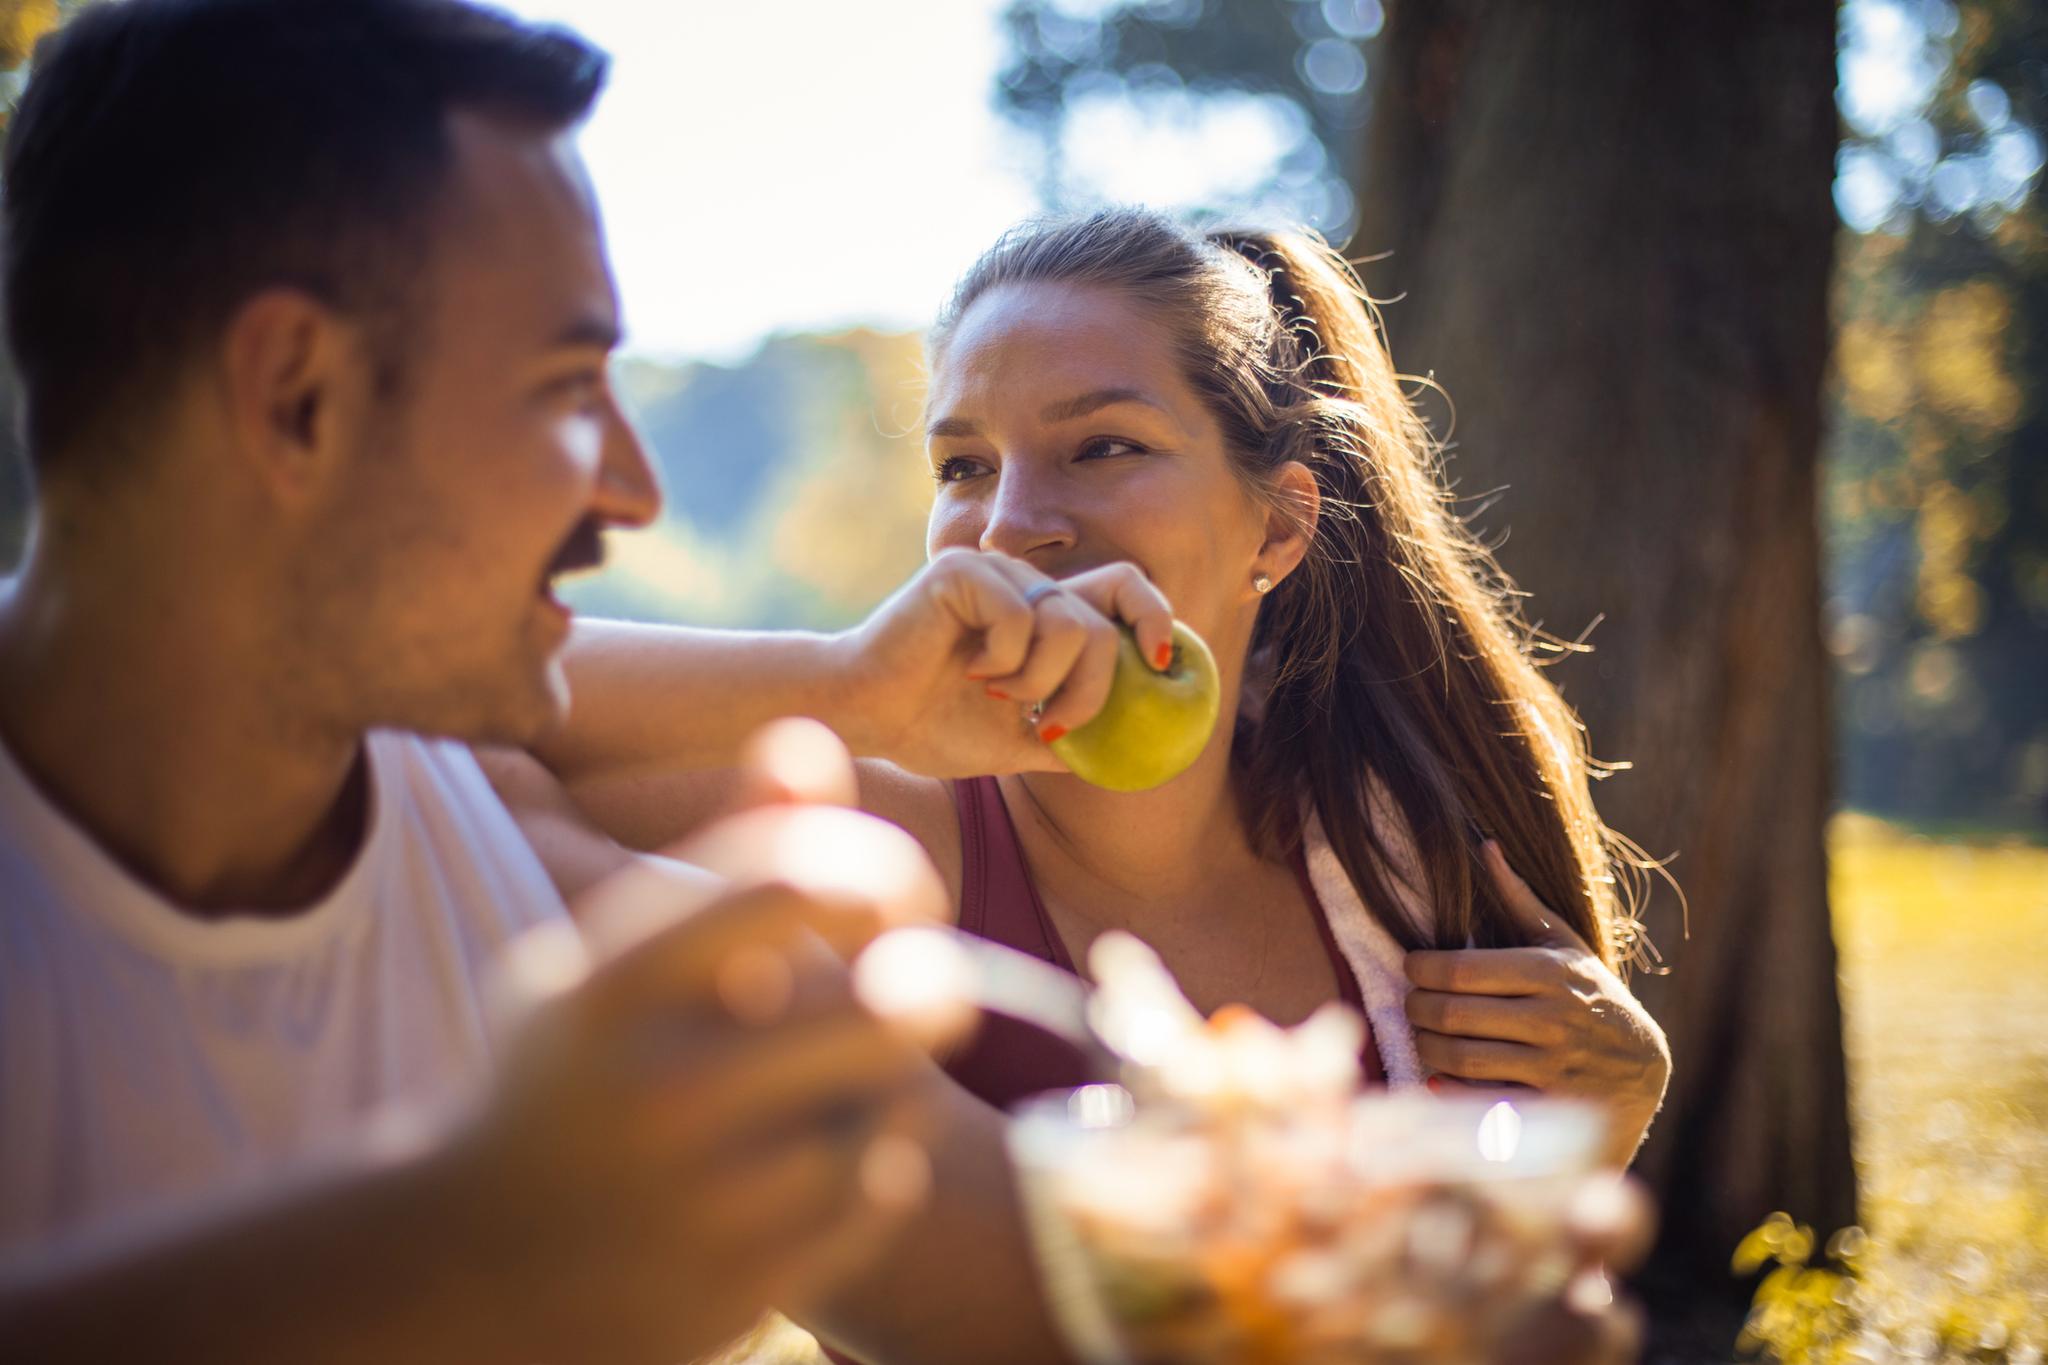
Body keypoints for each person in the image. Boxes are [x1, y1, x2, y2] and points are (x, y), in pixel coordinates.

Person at [508, 209, 1673, 1361]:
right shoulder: (857, 838)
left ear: (1276, 526)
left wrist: (1597, 1126)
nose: (1011, 526)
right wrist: (849, 686)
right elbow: (397, 715)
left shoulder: (1400, 856)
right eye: (964, 465)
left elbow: (1460, 1318)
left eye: (1101, 446)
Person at [0, 2, 951, 1361]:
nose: (632, 486)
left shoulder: (483, 818)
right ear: (297, 400)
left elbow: (1024, 1263)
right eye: (569, 389)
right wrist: (451, 1252)